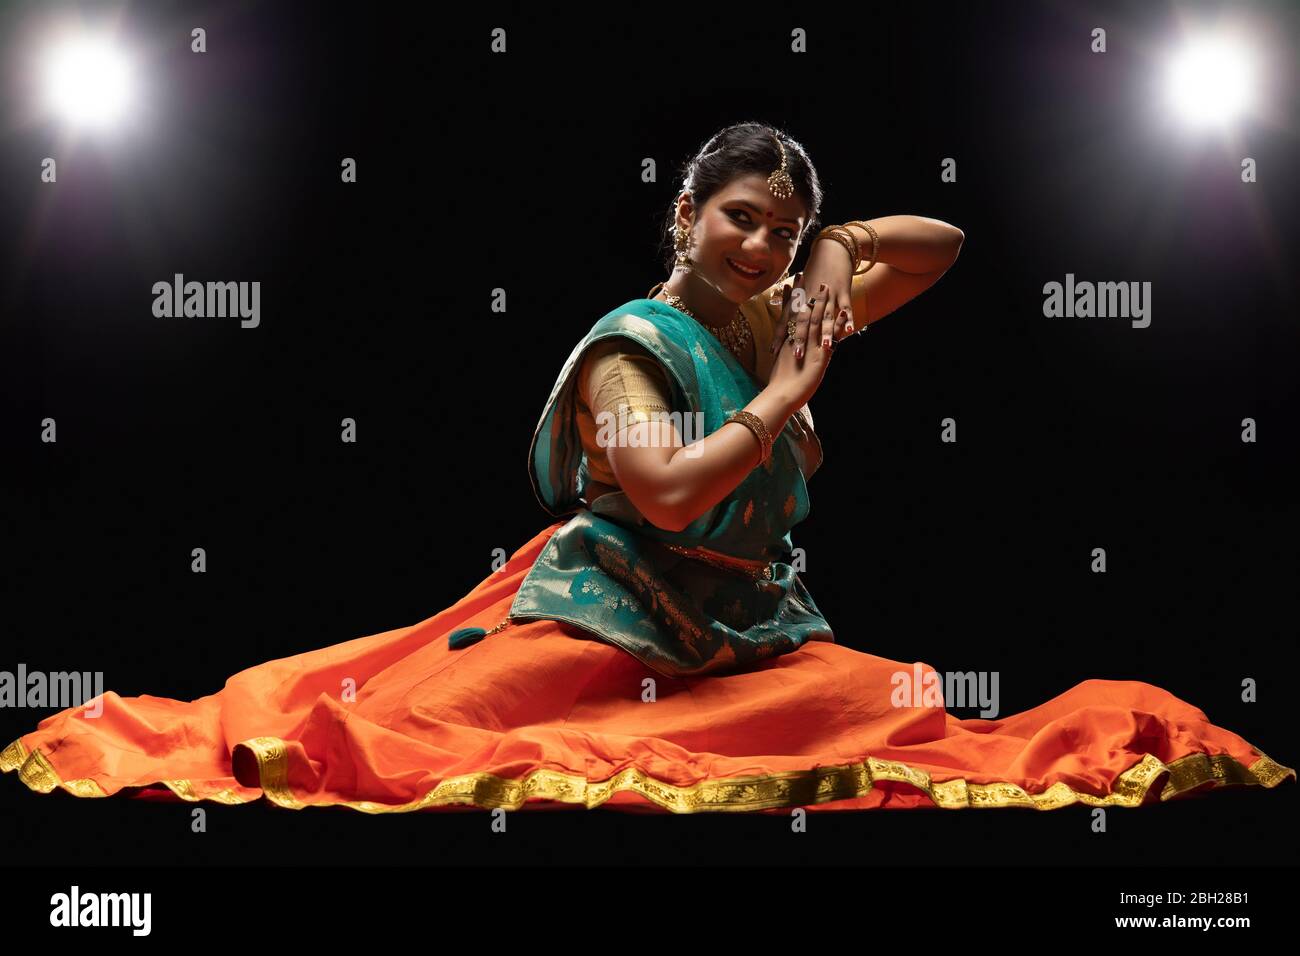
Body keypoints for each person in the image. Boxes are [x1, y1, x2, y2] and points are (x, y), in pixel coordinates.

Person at [3, 123, 1292, 813]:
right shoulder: (638, 345)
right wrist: (792, 390)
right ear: (685, 215)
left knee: (918, 717)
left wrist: (834, 251)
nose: (758, 247)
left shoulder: (776, 304)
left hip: (747, 630)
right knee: (398, 743)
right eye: (741, 218)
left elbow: (941, 243)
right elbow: (670, 493)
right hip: (608, 610)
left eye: (778, 229)